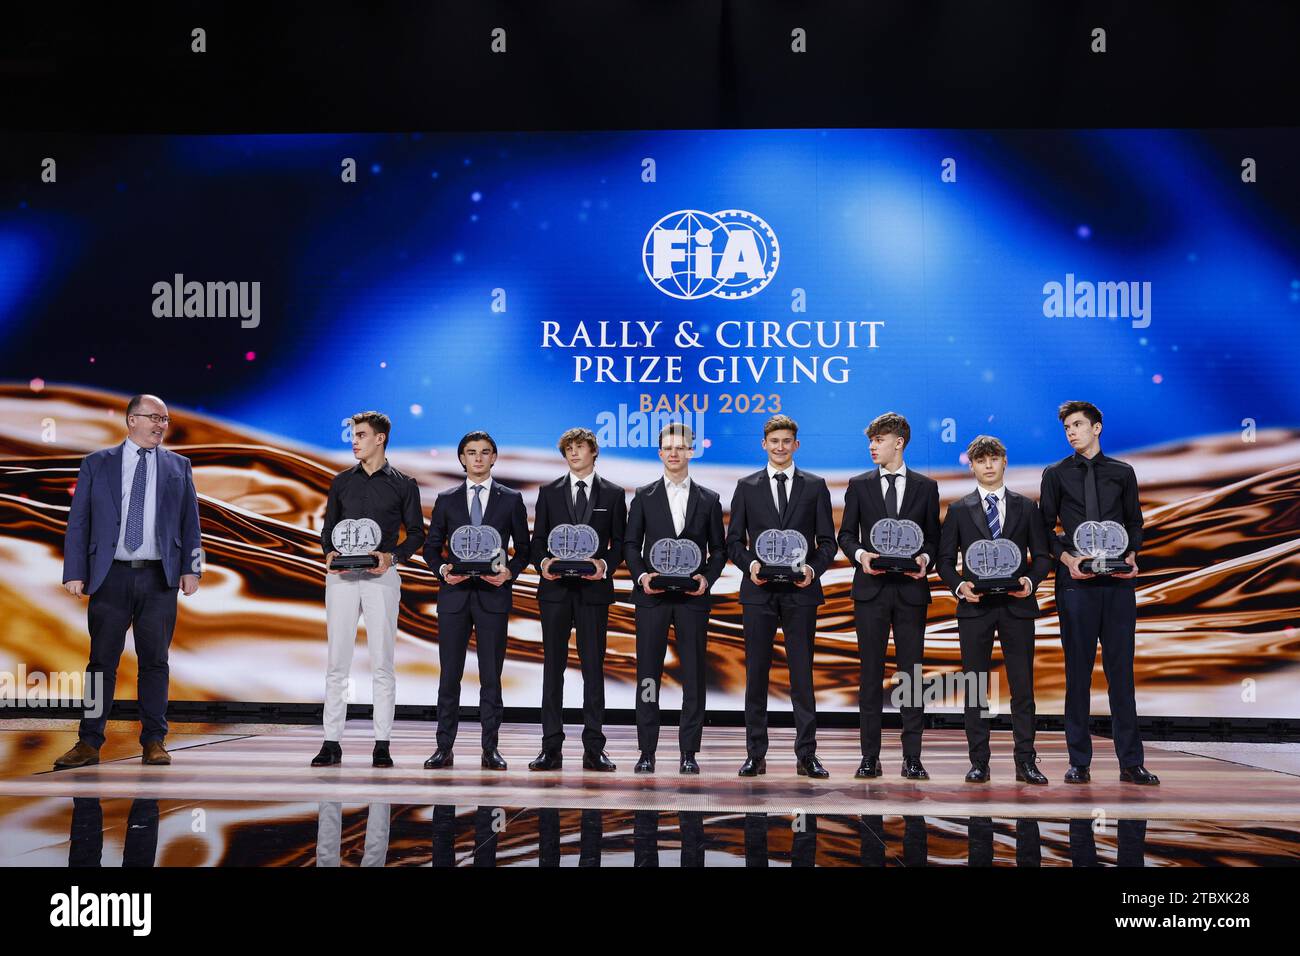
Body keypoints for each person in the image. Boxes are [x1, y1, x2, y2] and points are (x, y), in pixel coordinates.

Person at [56, 394, 202, 769]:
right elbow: (79, 520)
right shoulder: (97, 464)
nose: (160, 425)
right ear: (131, 420)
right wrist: (74, 571)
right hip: (110, 576)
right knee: (100, 663)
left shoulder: (178, 466)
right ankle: (88, 743)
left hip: (159, 577)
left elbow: (191, 523)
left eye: (165, 419)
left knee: (155, 662)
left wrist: (191, 568)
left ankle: (154, 741)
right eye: (154, 417)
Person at [1040, 401, 1158, 785]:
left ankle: (1131, 762)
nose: (1071, 432)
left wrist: (1133, 555)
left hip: (1119, 585)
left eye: (1077, 425)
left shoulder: (1122, 473)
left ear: (1097, 428)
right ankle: (1079, 761)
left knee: (1121, 674)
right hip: (1076, 585)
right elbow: (1043, 531)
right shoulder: (1055, 474)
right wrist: (1067, 559)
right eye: (1067, 428)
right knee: (1078, 674)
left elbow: (1135, 522)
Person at [725, 414, 837, 778]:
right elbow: (732, 542)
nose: (780, 447)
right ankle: (755, 753)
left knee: (802, 677)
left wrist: (812, 570)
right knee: (756, 675)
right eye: (774, 441)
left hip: (800, 593)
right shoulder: (746, 485)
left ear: (796, 445)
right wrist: (750, 566)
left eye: (787, 441)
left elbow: (828, 542)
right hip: (758, 593)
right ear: (764, 444)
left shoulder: (815, 485)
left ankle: (807, 754)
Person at [314, 411, 425, 769]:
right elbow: (328, 529)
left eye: (360, 435)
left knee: (382, 662)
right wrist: (328, 551)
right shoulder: (341, 482)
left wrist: (391, 558)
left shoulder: (404, 484)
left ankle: (382, 743)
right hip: (342, 578)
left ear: (380, 439)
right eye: (353, 435)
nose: (354, 441)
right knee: (337, 662)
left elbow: (418, 534)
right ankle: (331, 742)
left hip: (382, 577)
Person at [936, 435, 1050, 784]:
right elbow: (943, 560)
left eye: (994, 459)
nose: (988, 465)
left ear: (1004, 462)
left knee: (1022, 687)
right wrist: (959, 586)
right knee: (975, 687)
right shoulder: (958, 509)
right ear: (971, 466)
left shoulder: (1027, 507)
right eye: (981, 460)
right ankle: (979, 761)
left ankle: (1026, 761)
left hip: (1017, 607)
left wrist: (1030, 583)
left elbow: (1043, 556)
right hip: (975, 608)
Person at [837, 411, 940, 779]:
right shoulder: (859, 484)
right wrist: (862, 556)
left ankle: (912, 758)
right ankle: (870, 757)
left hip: (911, 591)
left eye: (878, 440)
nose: (872, 447)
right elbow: (846, 535)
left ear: (898, 442)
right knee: (870, 675)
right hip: (871, 591)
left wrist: (924, 559)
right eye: (870, 441)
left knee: (911, 677)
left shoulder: (926, 487)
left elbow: (933, 538)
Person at [423, 431, 530, 771]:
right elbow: (430, 547)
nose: (478, 458)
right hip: (454, 596)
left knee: (491, 677)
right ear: (462, 459)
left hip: (493, 596)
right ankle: (444, 748)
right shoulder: (446, 499)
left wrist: (509, 572)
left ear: (495, 457)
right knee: (449, 675)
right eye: (471, 453)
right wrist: (442, 570)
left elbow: (525, 549)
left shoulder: (510, 499)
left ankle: (490, 750)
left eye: (485, 452)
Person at [623, 423, 726, 774]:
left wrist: (706, 579)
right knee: (649, 677)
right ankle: (646, 751)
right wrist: (642, 576)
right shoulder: (643, 495)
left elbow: (719, 550)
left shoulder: (709, 499)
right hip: (652, 598)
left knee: (694, 676)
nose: (674, 452)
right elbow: (629, 545)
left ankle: (689, 753)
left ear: (691, 451)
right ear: (659, 452)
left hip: (692, 600)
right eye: (668, 447)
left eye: (681, 447)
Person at [528, 427, 627, 771]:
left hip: (593, 592)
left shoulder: (613, 494)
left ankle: (594, 748)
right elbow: (537, 540)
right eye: (568, 448)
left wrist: (604, 565)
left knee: (593, 669)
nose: (573, 453)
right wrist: (543, 564)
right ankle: (550, 747)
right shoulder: (549, 492)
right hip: (554, 592)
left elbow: (621, 543)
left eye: (580, 447)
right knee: (552, 669)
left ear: (593, 452)